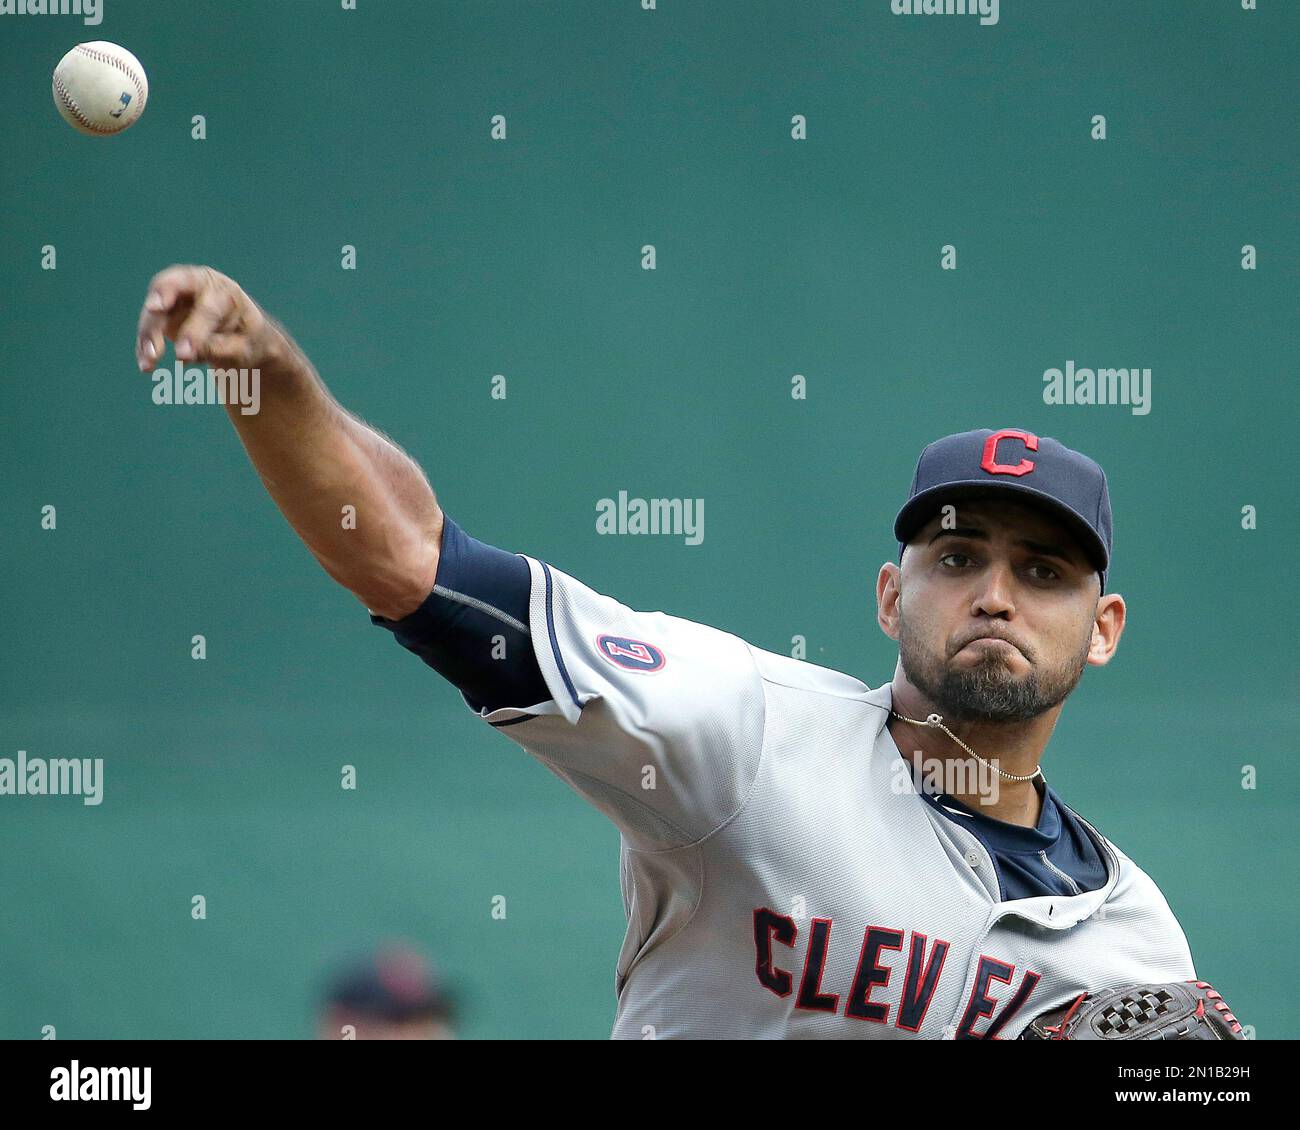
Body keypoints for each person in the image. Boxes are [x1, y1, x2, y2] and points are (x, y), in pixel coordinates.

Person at [135, 266, 1196, 1040]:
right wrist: (272, 377)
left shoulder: (1133, 944)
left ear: (1103, 628)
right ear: (889, 595)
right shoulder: (744, 734)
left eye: (1045, 571)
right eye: (957, 555)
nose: (996, 595)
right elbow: (416, 563)